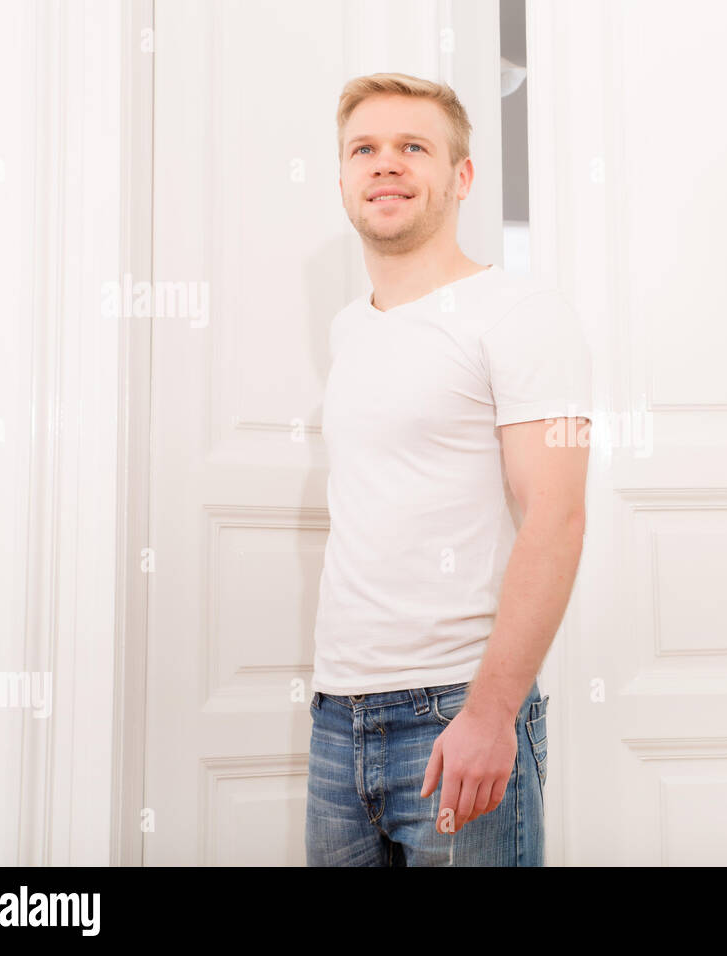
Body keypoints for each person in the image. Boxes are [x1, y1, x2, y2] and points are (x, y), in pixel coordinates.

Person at [305, 73, 592, 866]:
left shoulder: (523, 315)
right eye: (365, 149)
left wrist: (491, 713)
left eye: (413, 148)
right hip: (337, 718)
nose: (385, 164)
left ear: (461, 177)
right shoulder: (347, 330)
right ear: (342, 181)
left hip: (455, 713)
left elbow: (557, 517)